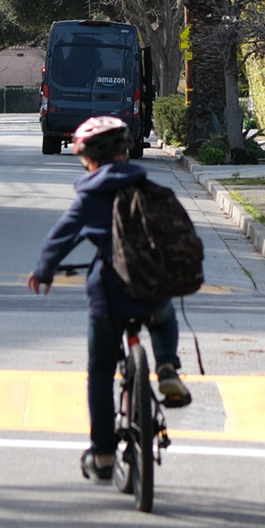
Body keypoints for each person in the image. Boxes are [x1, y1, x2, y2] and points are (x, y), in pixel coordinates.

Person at [27, 116, 192, 483]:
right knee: (163, 317)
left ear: (87, 158)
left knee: (100, 372)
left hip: (110, 297)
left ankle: (102, 455)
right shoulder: (147, 187)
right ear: (125, 151)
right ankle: (166, 366)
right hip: (151, 292)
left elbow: (59, 238)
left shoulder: (90, 198)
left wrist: (44, 271)